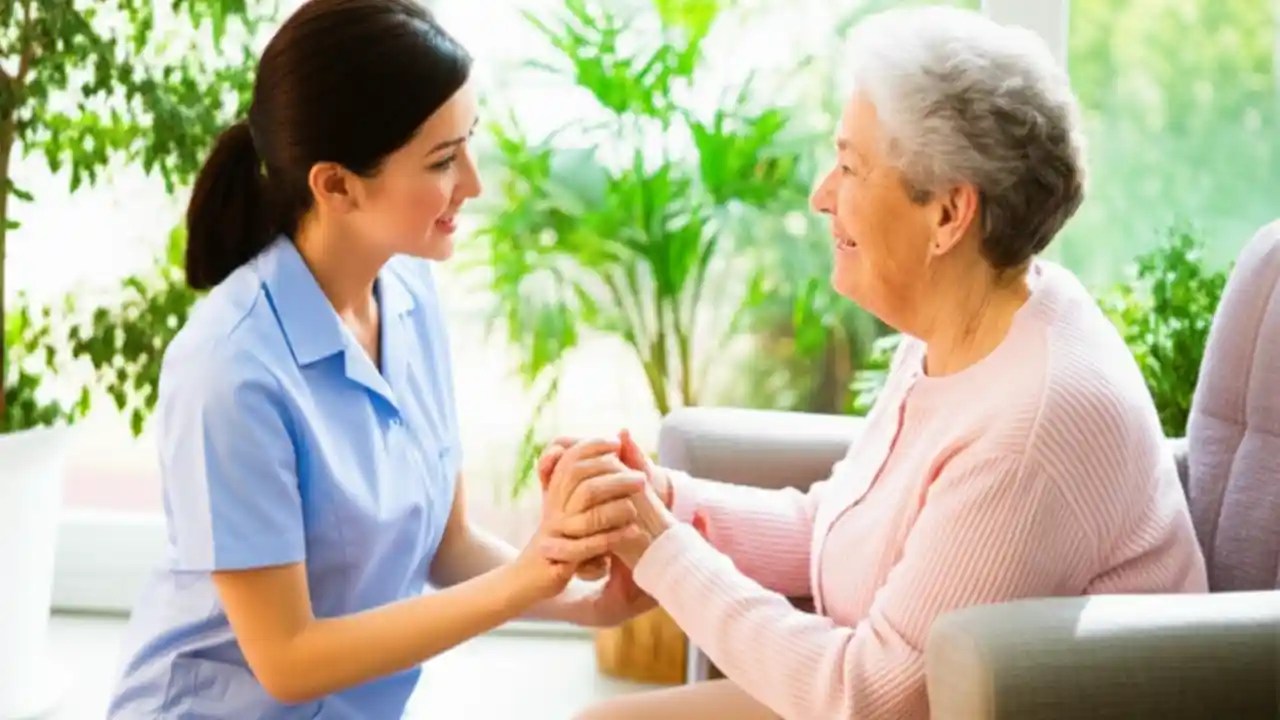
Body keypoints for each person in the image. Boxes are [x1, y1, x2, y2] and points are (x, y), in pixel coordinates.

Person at [556, 7, 1210, 719]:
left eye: (849, 165)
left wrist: (661, 550)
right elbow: (831, 528)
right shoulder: (962, 321)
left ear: (948, 215)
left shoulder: (1033, 420)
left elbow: (871, 697)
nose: (820, 196)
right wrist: (661, 501)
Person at [107, 1, 649, 717]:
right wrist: (531, 572)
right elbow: (288, 660)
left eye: (469, 144)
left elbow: (447, 547)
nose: (475, 184)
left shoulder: (409, 292)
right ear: (335, 184)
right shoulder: (228, 370)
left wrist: (587, 603)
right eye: (444, 160)